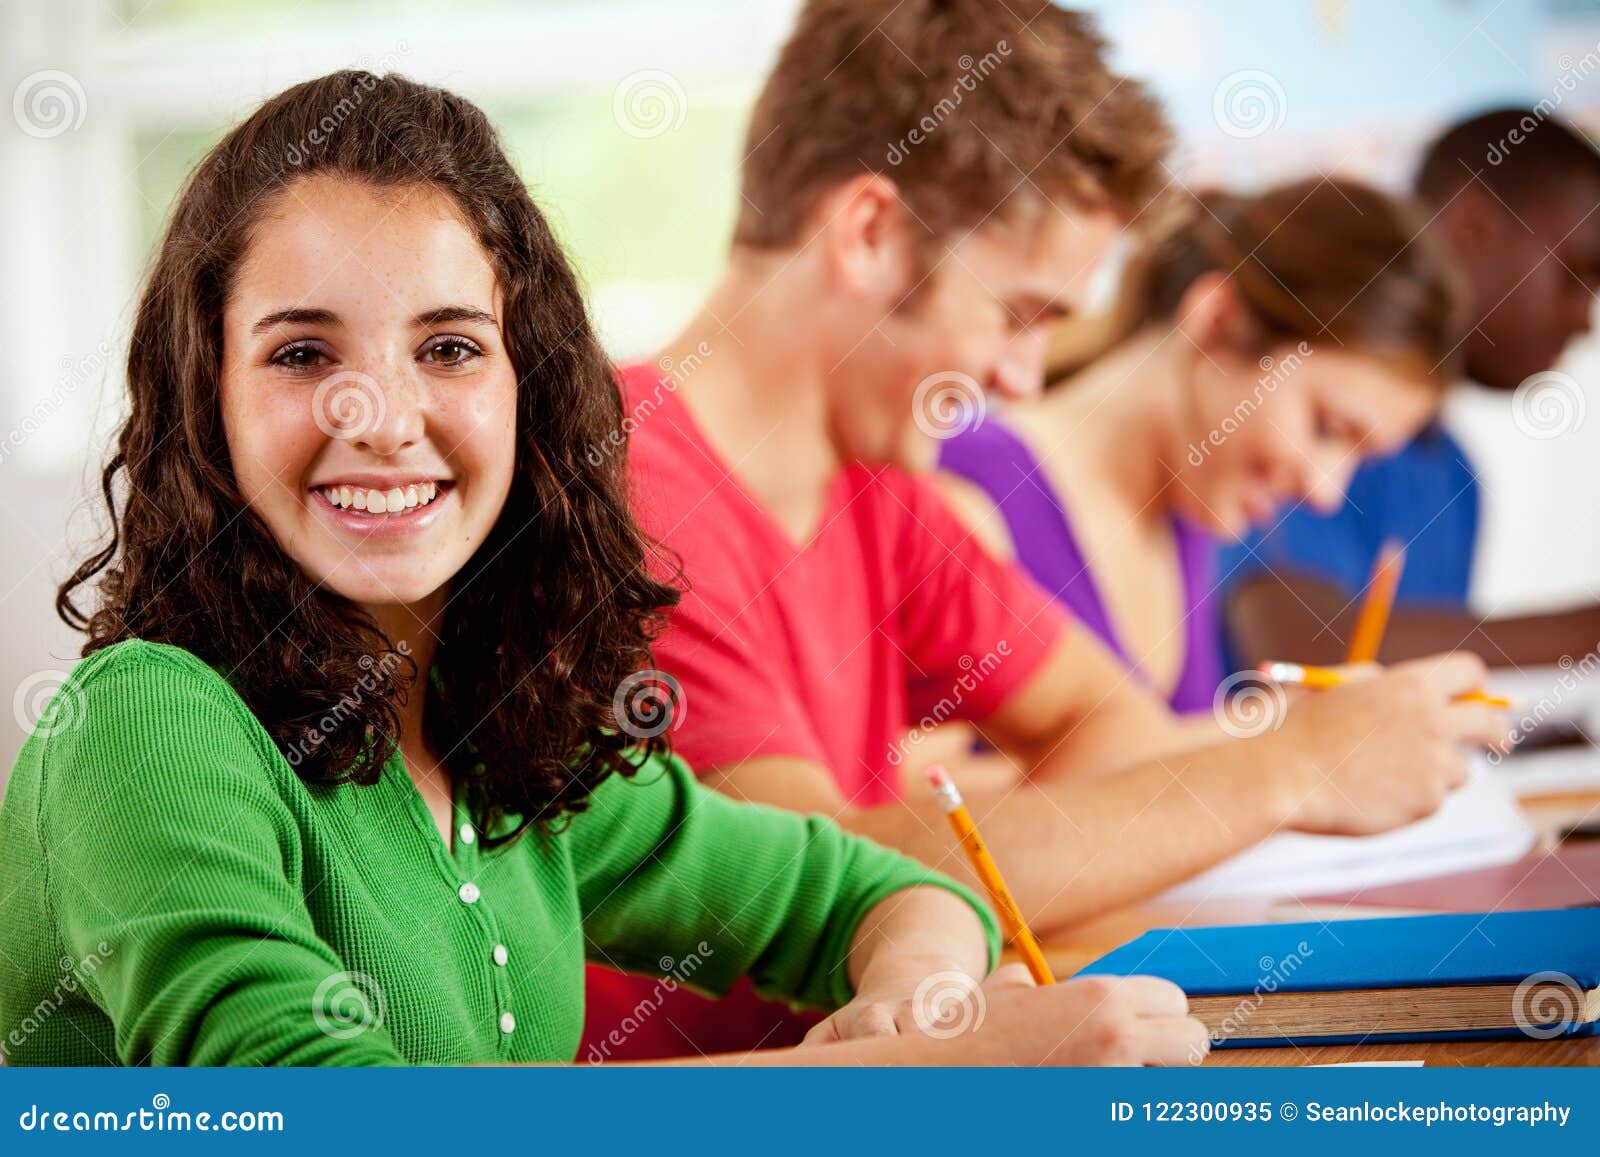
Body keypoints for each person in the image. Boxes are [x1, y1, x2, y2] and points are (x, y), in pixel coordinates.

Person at [0, 71, 1210, 1068]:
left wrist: (919, 997)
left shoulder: (501, 740)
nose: (380, 413)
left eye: (451, 347)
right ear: (203, 404)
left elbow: (888, 889)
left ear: (529, 390)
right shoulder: (146, 724)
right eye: (303, 350)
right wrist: (899, 1075)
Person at [585, 0, 1502, 1059]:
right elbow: (826, 878)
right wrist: (1290, 769)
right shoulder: (622, 502)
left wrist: (1019, 863)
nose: (1020, 377)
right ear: (870, 232)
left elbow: (1101, 717)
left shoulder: (878, 485)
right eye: (1019, 313)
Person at [936, 178, 1464, 714]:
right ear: (1216, 321)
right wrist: (1296, 757)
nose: (1326, 492)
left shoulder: (1187, 516)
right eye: (1326, 427)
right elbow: (905, 794)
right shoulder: (962, 496)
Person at [1222, 109, 1600, 667]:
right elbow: (1301, 653)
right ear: (1471, 229)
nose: (1585, 320)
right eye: (1573, 275)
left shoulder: (1453, 476)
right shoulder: (1289, 421)